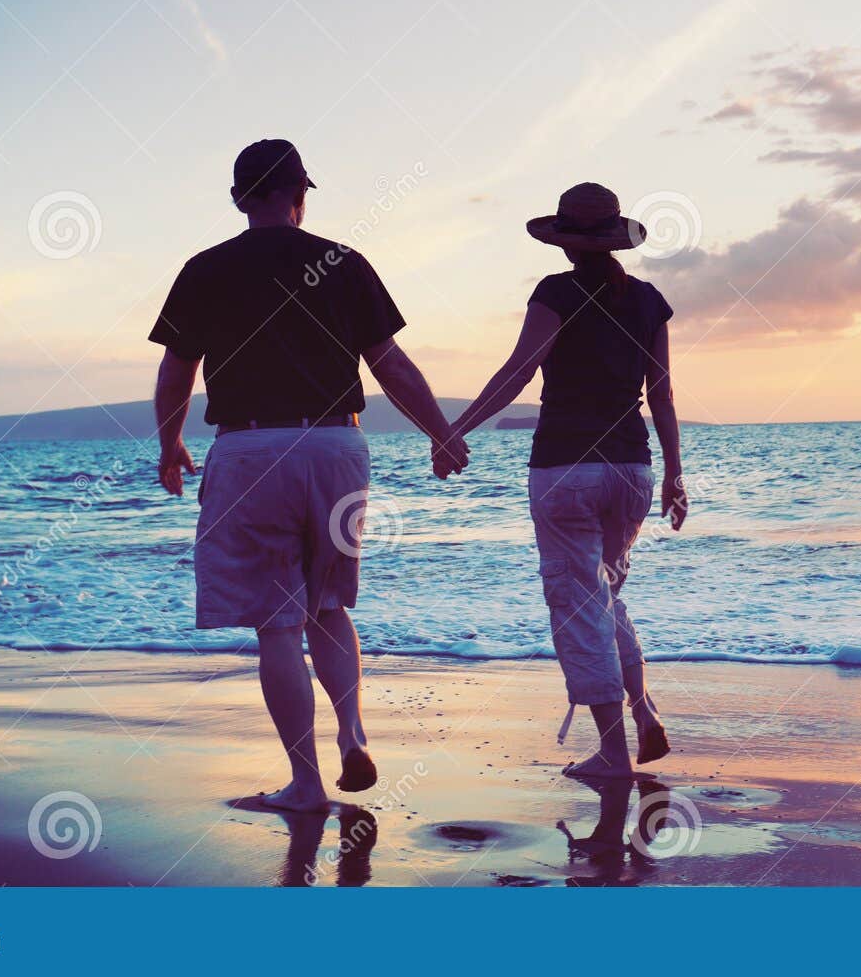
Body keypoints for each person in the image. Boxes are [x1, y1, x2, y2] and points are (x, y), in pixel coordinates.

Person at [150, 138, 469, 813]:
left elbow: (177, 368)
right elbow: (390, 364)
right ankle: (352, 732)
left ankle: (307, 783)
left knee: (275, 621)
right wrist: (439, 431)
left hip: (250, 447)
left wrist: (170, 441)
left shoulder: (205, 269)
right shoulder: (344, 263)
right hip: (336, 444)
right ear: (300, 194)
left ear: (239, 198)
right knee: (328, 606)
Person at [448, 182, 688, 779]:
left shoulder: (556, 291)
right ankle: (643, 710)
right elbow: (660, 394)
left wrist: (456, 430)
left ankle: (612, 753)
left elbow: (520, 370)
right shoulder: (648, 300)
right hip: (632, 468)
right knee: (604, 594)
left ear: (565, 242)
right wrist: (675, 474)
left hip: (566, 466)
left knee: (579, 603)